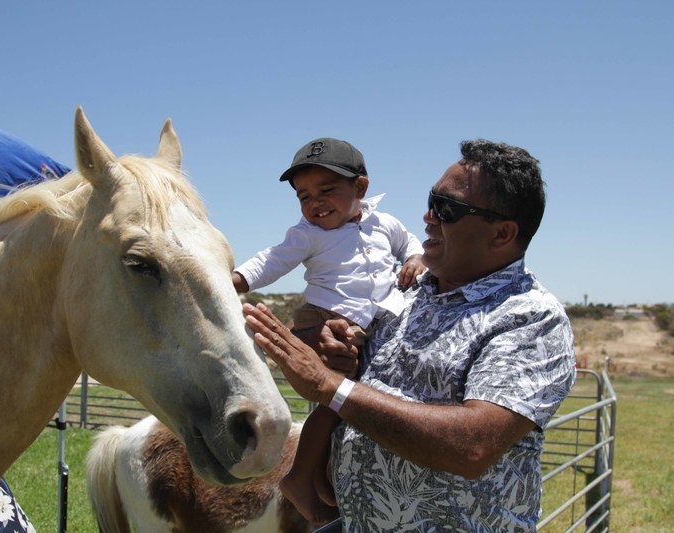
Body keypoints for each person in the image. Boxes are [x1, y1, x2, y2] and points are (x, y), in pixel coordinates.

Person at [243, 139, 577, 532]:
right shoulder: (401, 293)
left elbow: (472, 446)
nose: (428, 217)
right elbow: (345, 374)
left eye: (447, 209)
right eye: (432, 201)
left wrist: (329, 385)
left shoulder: (530, 319)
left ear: (502, 234)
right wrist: (323, 339)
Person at [232, 137, 425, 521]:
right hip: (325, 320)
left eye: (326, 191)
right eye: (303, 196)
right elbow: (273, 260)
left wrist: (416, 258)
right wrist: (236, 281)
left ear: (360, 188)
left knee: (348, 404)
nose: (314, 203)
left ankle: (322, 477)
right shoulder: (308, 234)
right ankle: (302, 476)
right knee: (338, 398)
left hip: (367, 325)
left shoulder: (385, 223)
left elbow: (409, 243)